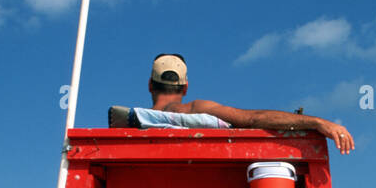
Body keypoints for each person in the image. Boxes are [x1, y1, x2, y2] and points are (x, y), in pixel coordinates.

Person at [142, 53, 355, 154]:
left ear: (151, 84)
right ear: (185, 87)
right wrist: (318, 122)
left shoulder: (132, 123)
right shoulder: (194, 109)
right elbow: (253, 119)